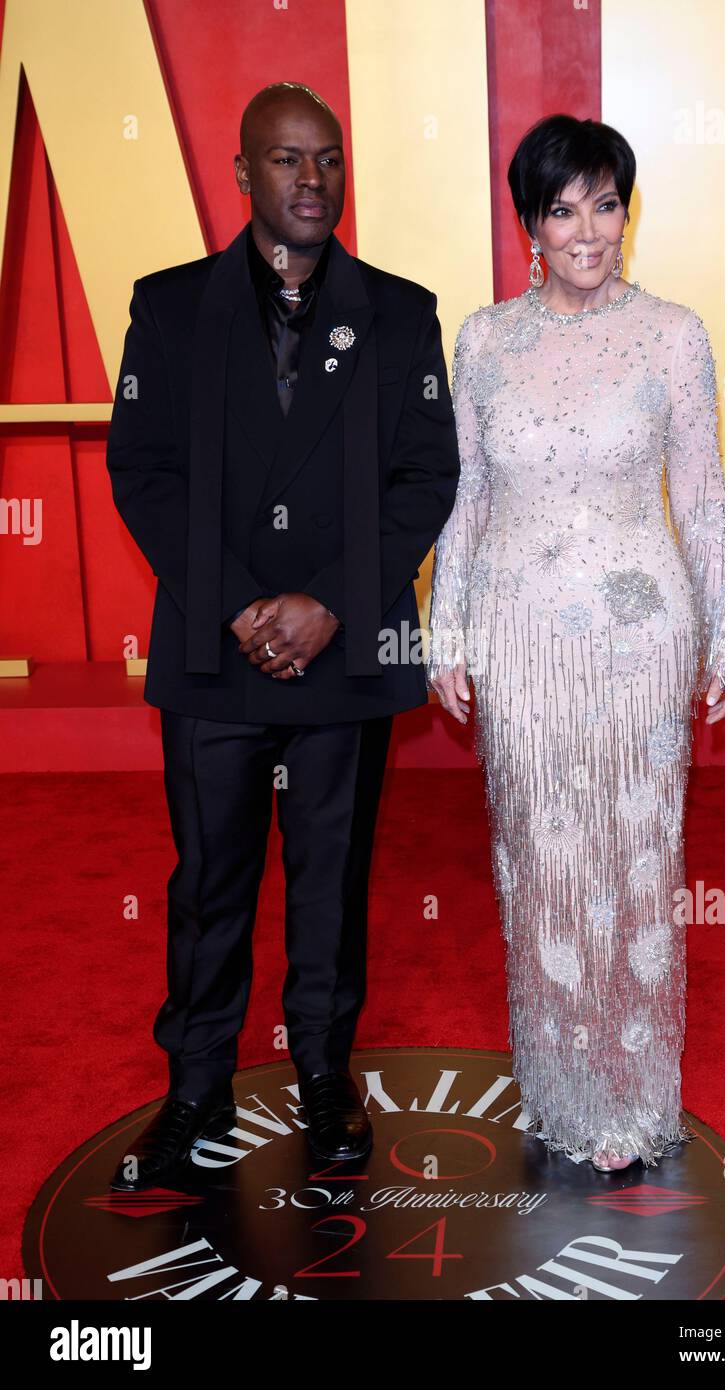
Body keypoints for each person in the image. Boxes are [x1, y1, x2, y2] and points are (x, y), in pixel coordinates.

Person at [106, 82, 459, 1190]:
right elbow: (143, 472)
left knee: (330, 883)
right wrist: (237, 605)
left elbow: (426, 476)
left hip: (342, 656)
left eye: (329, 159)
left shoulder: (401, 312)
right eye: (287, 160)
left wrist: (332, 603)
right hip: (216, 651)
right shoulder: (167, 308)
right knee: (209, 884)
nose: (312, 180)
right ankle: (196, 1090)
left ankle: (323, 1080)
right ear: (244, 174)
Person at [427, 114, 725, 1173]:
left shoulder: (673, 333)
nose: (587, 230)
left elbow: (701, 496)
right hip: (522, 638)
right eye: (562, 208)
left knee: (636, 853)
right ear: (529, 222)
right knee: (542, 857)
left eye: (605, 204)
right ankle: (564, 1083)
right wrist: (446, 625)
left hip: (637, 632)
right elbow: (467, 495)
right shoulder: (482, 340)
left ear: (628, 211)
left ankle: (635, 1088)